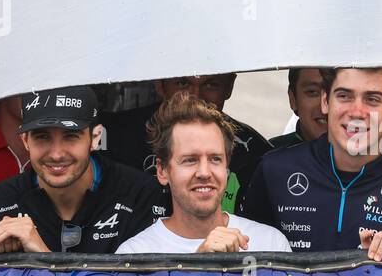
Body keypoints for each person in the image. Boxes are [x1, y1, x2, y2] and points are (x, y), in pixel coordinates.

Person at [241, 67, 382, 261]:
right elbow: (247, 258)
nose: (357, 112)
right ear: (325, 101)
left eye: (372, 99)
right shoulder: (274, 169)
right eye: (344, 96)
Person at [0, 86, 164, 253]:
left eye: (70, 136)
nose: (57, 154)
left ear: (96, 138)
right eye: (42, 137)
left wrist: (41, 257)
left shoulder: (140, 196)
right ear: (25, 141)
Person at [117, 93, 290, 254]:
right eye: (190, 160)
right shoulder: (135, 253)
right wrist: (199, 267)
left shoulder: (270, 244)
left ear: (227, 168)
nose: (204, 172)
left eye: (215, 159)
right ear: (162, 171)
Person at [101, 73, 271, 210]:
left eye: (211, 84)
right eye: (183, 83)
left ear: (230, 87)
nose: (195, 96)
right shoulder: (115, 134)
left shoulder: (255, 151)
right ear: (160, 83)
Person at [269, 67, 328, 150]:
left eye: (341, 95)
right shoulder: (268, 156)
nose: (325, 107)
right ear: (292, 98)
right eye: (312, 92)